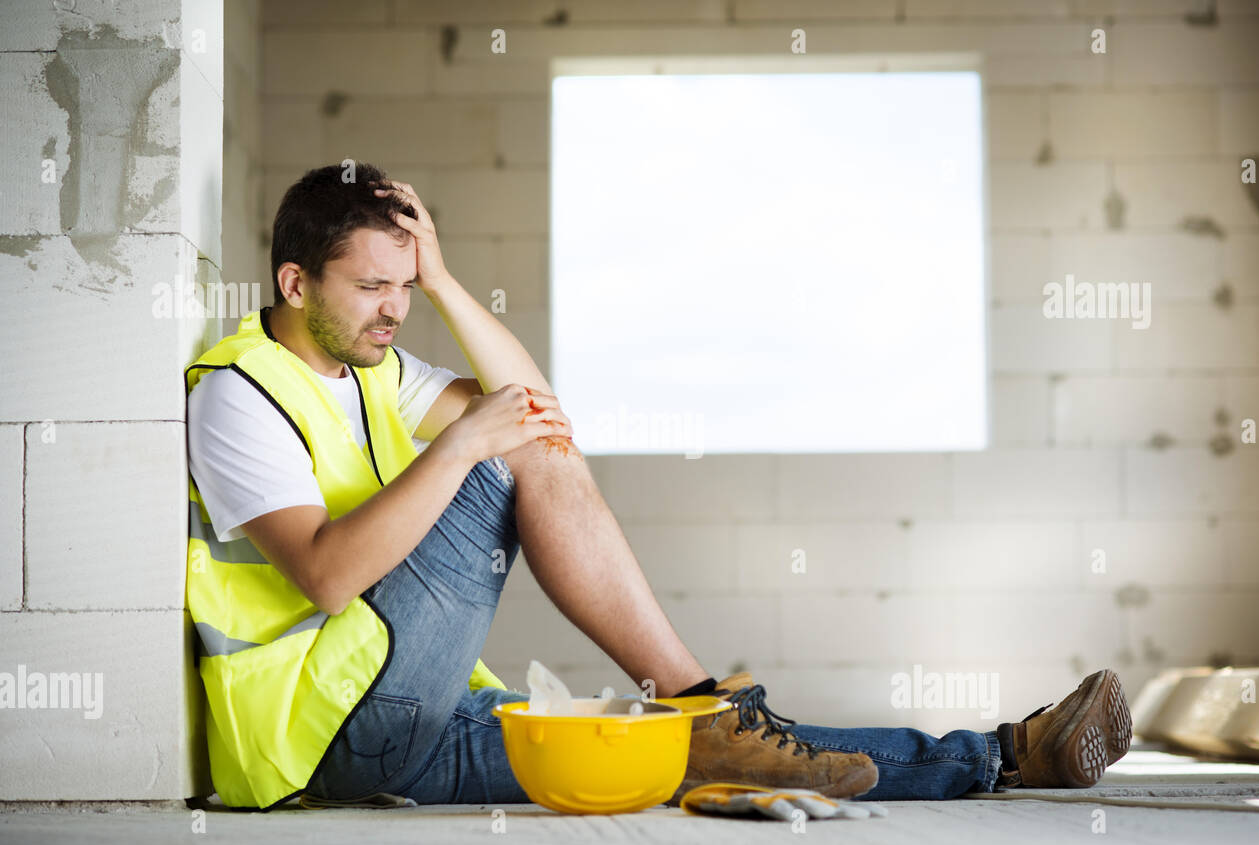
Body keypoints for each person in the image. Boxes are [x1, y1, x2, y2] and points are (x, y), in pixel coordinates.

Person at [184, 162, 1132, 811]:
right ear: (295, 283)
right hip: (328, 727)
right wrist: (463, 443)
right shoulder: (239, 394)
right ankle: (697, 696)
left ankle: (1006, 752)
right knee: (505, 452)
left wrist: (445, 281)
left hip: (408, 721)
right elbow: (325, 577)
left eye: (405, 285)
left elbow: (538, 410)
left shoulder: (373, 370)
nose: (394, 308)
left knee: (678, 754)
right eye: (370, 287)